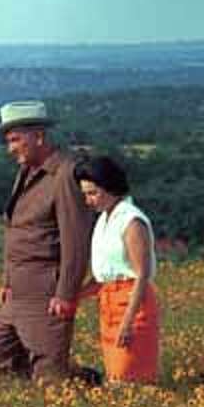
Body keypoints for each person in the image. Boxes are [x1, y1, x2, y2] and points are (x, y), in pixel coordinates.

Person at [0, 100, 94, 383]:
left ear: (39, 136)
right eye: (8, 141)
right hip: (17, 293)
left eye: (16, 140)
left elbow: (76, 239)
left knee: (50, 378)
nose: (11, 149)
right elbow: (17, 229)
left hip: (46, 294)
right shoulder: (28, 170)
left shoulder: (65, 173)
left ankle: (93, 385)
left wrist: (67, 293)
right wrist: (7, 281)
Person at [73, 156, 161, 385]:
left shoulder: (131, 220)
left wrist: (128, 322)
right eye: (85, 194)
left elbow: (141, 274)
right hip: (108, 305)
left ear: (110, 187)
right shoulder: (103, 220)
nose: (88, 200)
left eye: (93, 193)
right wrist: (72, 297)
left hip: (133, 304)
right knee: (115, 377)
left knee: (128, 378)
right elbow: (102, 276)